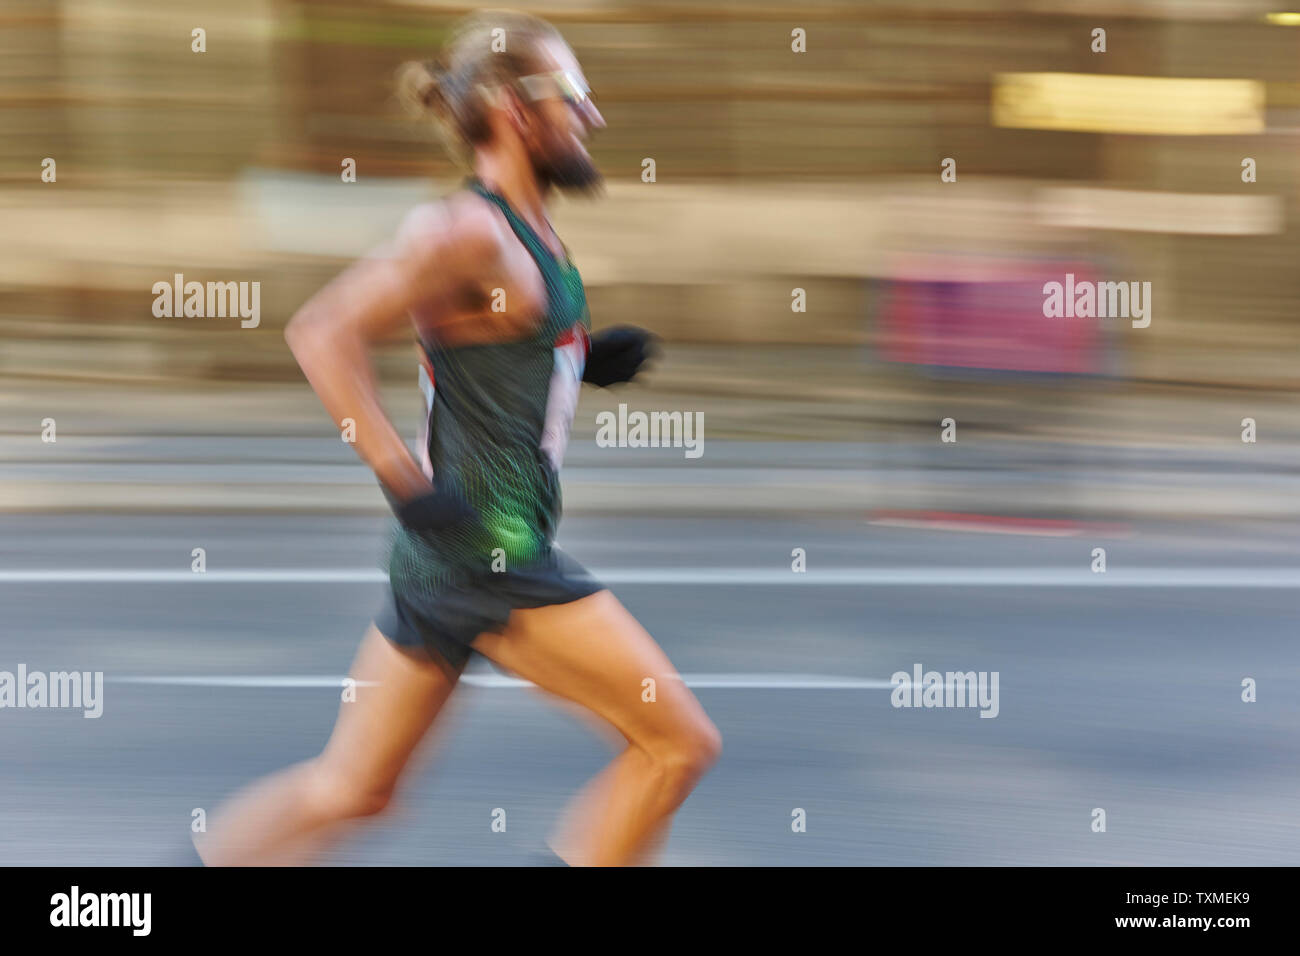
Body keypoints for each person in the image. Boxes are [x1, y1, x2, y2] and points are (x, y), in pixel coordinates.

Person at [194, 9, 721, 868]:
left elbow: (489, 343)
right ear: (518, 108)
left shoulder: (529, 232)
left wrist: (582, 357)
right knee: (677, 745)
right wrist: (405, 484)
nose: (594, 115)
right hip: (487, 557)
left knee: (352, 792)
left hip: (453, 559)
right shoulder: (464, 230)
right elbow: (322, 332)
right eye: (576, 94)